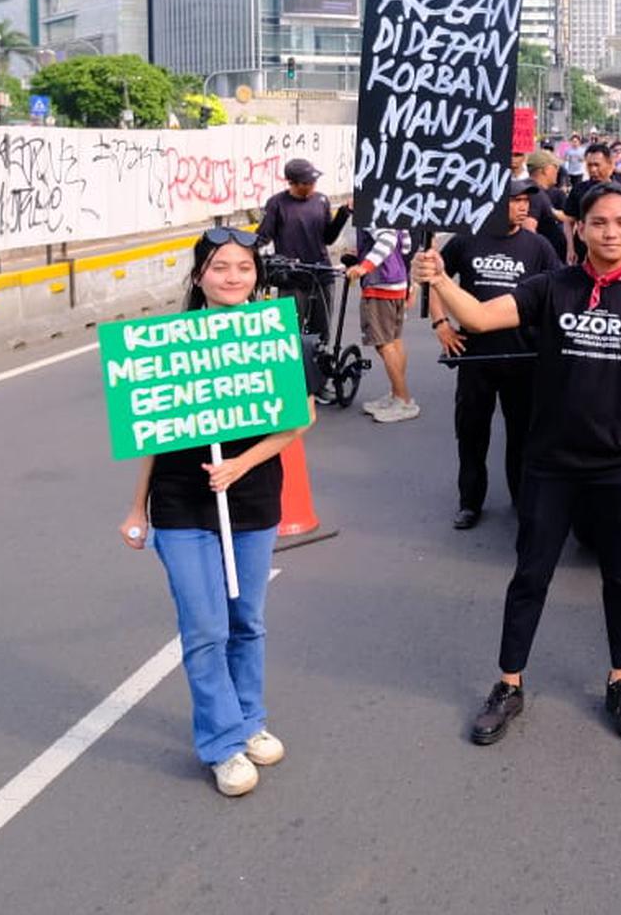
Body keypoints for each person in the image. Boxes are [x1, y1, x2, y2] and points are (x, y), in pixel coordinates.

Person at [412, 182, 621, 745]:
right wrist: (438, 282)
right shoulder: (550, 287)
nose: (610, 231)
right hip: (550, 463)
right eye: (598, 222)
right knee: (530, 575)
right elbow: (482, 319)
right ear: (578, 229)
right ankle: (509, 684)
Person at [118, 229, 309, 796]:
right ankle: (222, 743)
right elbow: (151, 431)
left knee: (246, 621)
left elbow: (298, 421)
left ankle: (250, 721)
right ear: (199, 275)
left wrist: (241, 464)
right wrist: (136, 507)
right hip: (179, 503)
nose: (232, 277)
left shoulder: (274, 332)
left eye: (243, 267)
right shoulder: (166, 341)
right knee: (204, 628)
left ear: (257, 275)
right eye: (220, 267)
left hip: (250, 498)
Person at [436, 178, 561, 528]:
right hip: (475, 358)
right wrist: (440, 324)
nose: (523, 207)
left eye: (526, 201)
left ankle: (522, 499)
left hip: (522, 359)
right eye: (515, 200)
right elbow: (436, 278)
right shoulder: (466, 239)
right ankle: (469, 502)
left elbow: (558, 294)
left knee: (522, 434)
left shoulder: (538, 247)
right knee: (472, 433)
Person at [254, 156, 352, 351]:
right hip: (291, 276)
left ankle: (319, 371)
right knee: (289, 331)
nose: (313, 185)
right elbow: (262, 237)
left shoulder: (321, 200)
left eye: (314, 180)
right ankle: (292, 374)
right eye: (308, 182)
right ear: (293, 183)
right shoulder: (277, 204)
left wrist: (344, 213)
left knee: (321, 331)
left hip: (321, 274)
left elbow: (328, 238)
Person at [346, 225, 418, 423]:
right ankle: (397, 394)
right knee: (394, 341)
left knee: (384, 344)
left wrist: (365, 266)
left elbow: (387, 239)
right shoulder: (390, 208)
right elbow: (406, 244)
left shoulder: (371, 210)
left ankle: (402, 399)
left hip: (380, 284)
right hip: (398, 281)